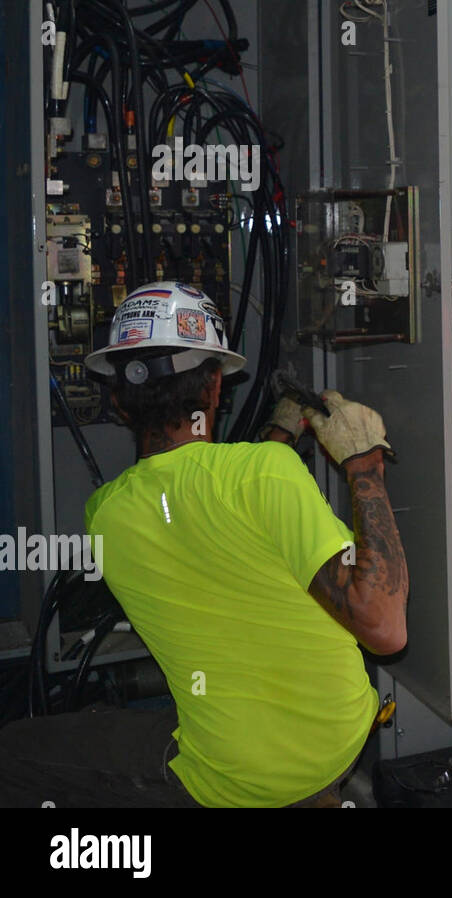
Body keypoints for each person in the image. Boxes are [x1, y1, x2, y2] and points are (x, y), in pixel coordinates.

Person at [0, 280, 407, 807]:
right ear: (215, 387)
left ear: (120, 402)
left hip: (241, 775)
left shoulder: (106, 516)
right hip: (340, 738)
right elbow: (385, 630)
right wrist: (363, 465)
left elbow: (203, 510)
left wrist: (279, 437)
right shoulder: (265, 474)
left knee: (15, 751)